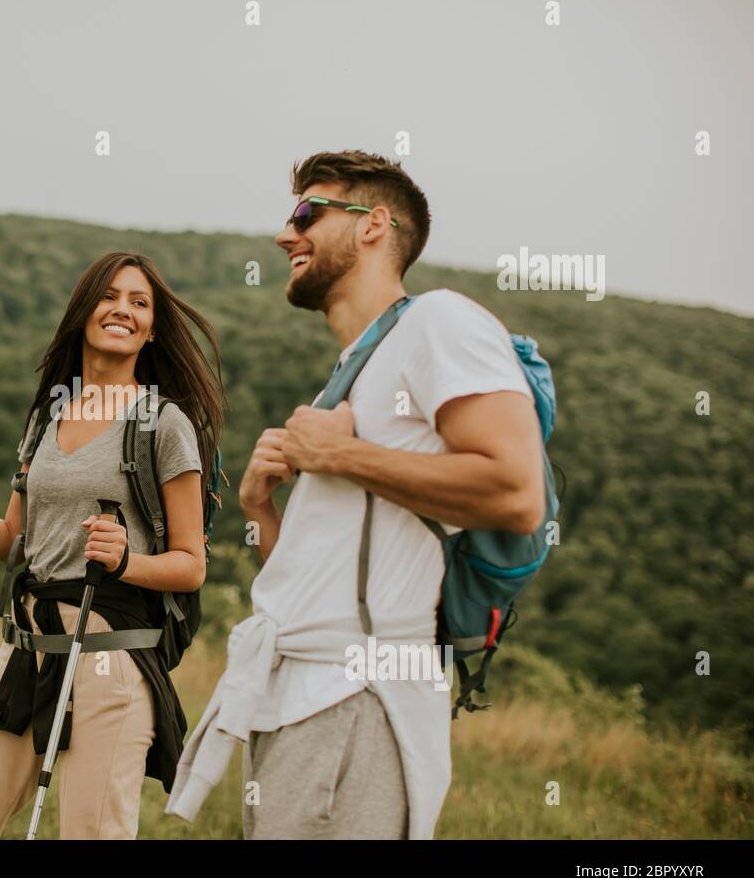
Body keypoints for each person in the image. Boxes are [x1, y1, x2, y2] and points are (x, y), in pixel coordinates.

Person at [165, 150, 546, 839]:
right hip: (300, 698)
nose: (286, 234)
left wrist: (336, 453)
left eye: (308, 212)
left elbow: (518, 493)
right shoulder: (353, 371)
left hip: (359, 700)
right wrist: (261, 509)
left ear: (374, 225)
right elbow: (316, 587)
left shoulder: (438, 322)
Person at [0, 250, 226, 839]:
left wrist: (126, 560)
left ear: (151, 331)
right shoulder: (48, 416)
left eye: (139, 303)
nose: (123, 309)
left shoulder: (163, 425)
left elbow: (191, 566)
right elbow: (15, 540)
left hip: (109, 661)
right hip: (25, 653)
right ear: (83, 311)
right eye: (110, 296)